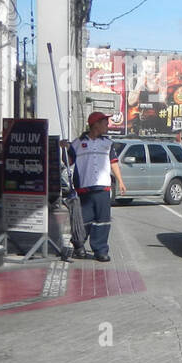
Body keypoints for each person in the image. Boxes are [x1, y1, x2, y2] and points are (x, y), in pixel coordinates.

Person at [62, 111, 124, 262]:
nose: (107, 125)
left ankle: (100, 250)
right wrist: (63, 148)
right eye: (104, 122)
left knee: (102, 221)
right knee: (83, 220)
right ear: (95, 124)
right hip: (84, 189)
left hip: (103, 188)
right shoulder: (77, 143)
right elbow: (68, 162)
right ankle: (78, 245)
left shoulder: (107, 144)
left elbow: (113, 163)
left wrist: (120, 181)